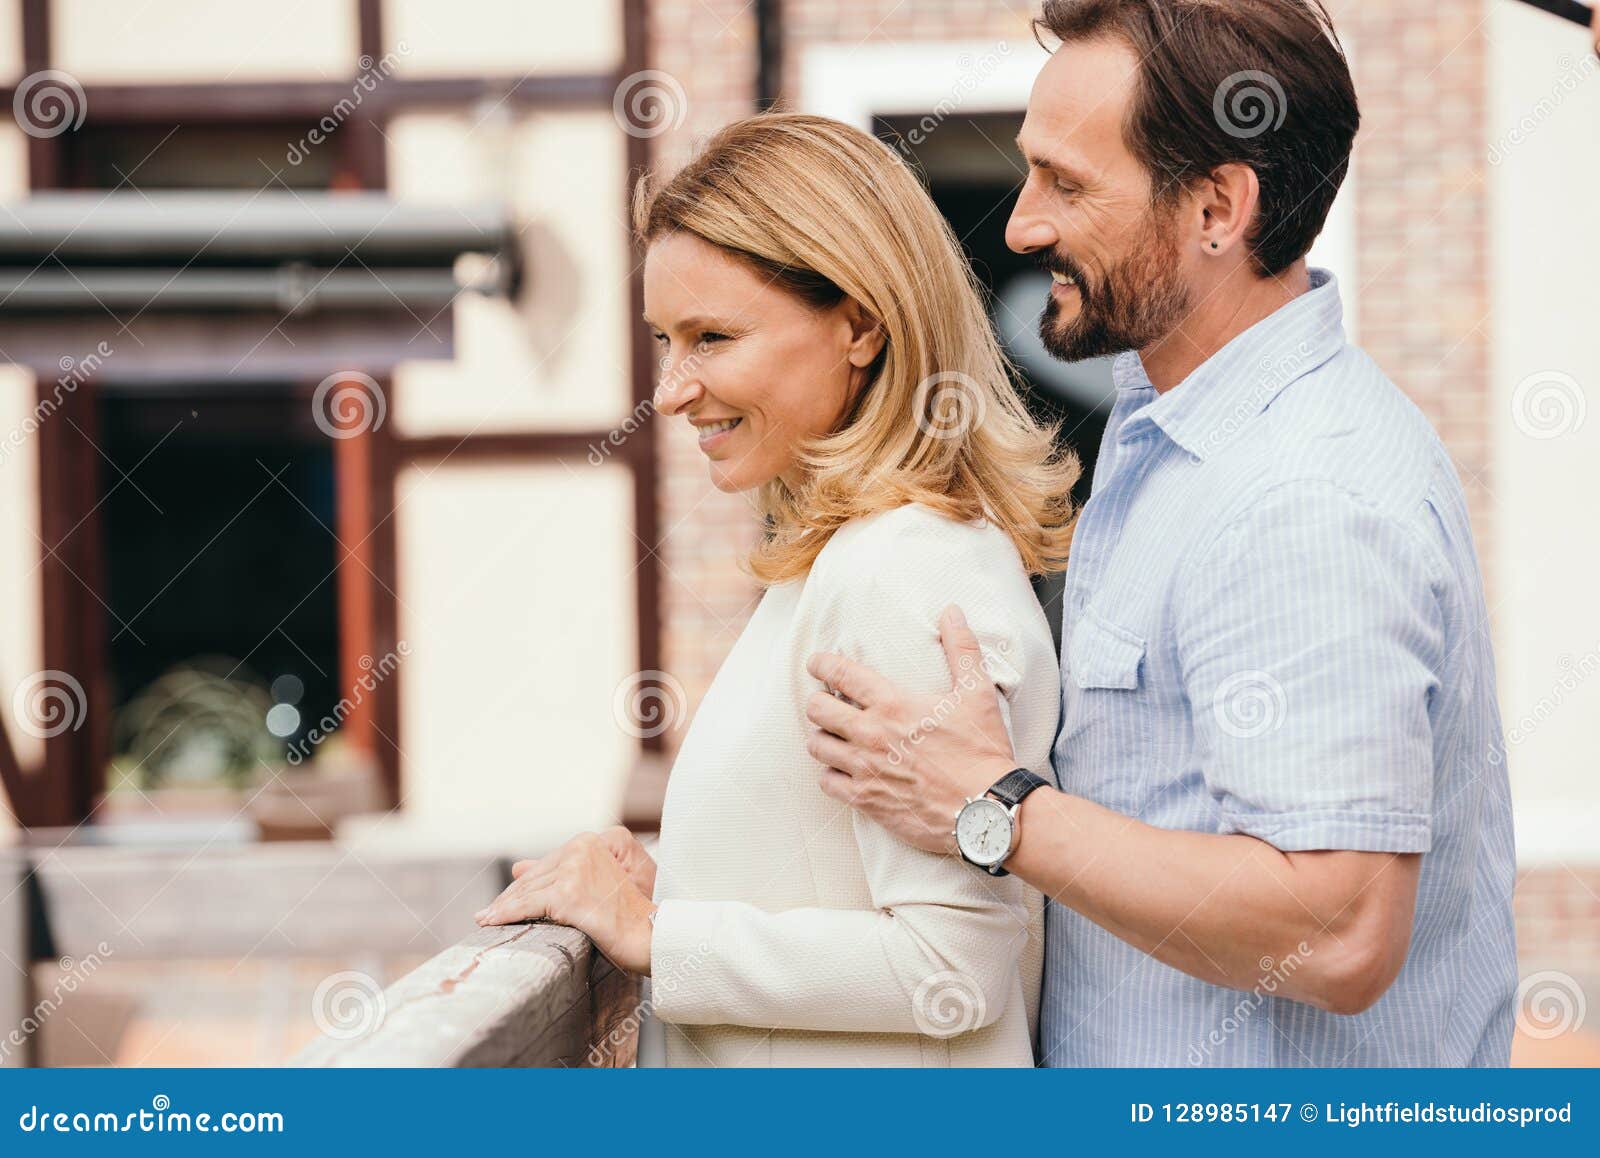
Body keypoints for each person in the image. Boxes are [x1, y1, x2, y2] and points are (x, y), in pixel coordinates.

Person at [806, 0, 1518, 1066]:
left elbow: (1338, 930)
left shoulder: (1302, 492)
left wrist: (989, 804)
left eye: (1068, 184)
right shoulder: (1172, 434)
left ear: (1218, 208)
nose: (1020, 225)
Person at [477, 113, 1080, 1066]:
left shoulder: (900, 569)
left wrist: (654, 935)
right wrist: (667, 884)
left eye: (711, 337)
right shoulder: (854, 559)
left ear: (860, 326)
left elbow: (950, 967)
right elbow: (832, 877)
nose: (673, 389)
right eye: (665, 341)